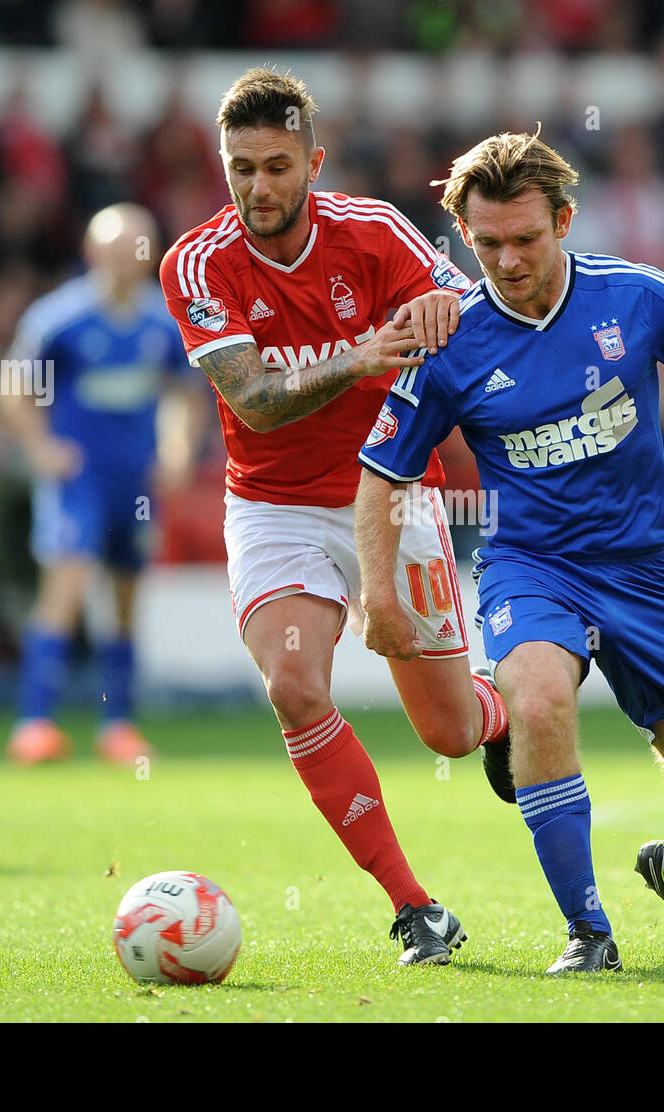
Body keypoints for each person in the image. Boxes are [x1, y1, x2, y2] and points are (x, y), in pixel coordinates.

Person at [355, 131, 664, 973]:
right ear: (464, 239)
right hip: (532, 565)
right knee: (540, 701)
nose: (507, 261)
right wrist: (379, 594)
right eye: (487, 245)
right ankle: (588, 934)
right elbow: (380, 478)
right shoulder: (451, 342)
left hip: (647, 569)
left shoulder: (636, 297)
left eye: (525, 239)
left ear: (564, 220)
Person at [157, 68, 512, 966]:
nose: (258, 187)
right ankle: (414, 907)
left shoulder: (376, 231)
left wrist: (446, 299)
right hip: (273, 505)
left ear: (313, 162)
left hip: (392, 494)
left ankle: (500, 715)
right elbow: (257, 401)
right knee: (293, 686)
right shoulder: (196, 264)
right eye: (241, 167)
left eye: (277, 166)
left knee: (451, 734)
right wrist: (358, 358)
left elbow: (465, 304)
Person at [2, 203, 204, 766]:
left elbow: (185, 396)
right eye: (117, 249)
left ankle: (117, 725)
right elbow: (13, 389)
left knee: (124, 600)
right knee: (65, 589)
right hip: (80, 480)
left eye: (138, 249)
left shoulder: (162, 323)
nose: (127, 260)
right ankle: (35, 723)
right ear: (93, 252)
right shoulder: (59, 319)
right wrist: (42, 448)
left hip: (135, 481)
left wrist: (178, 450)